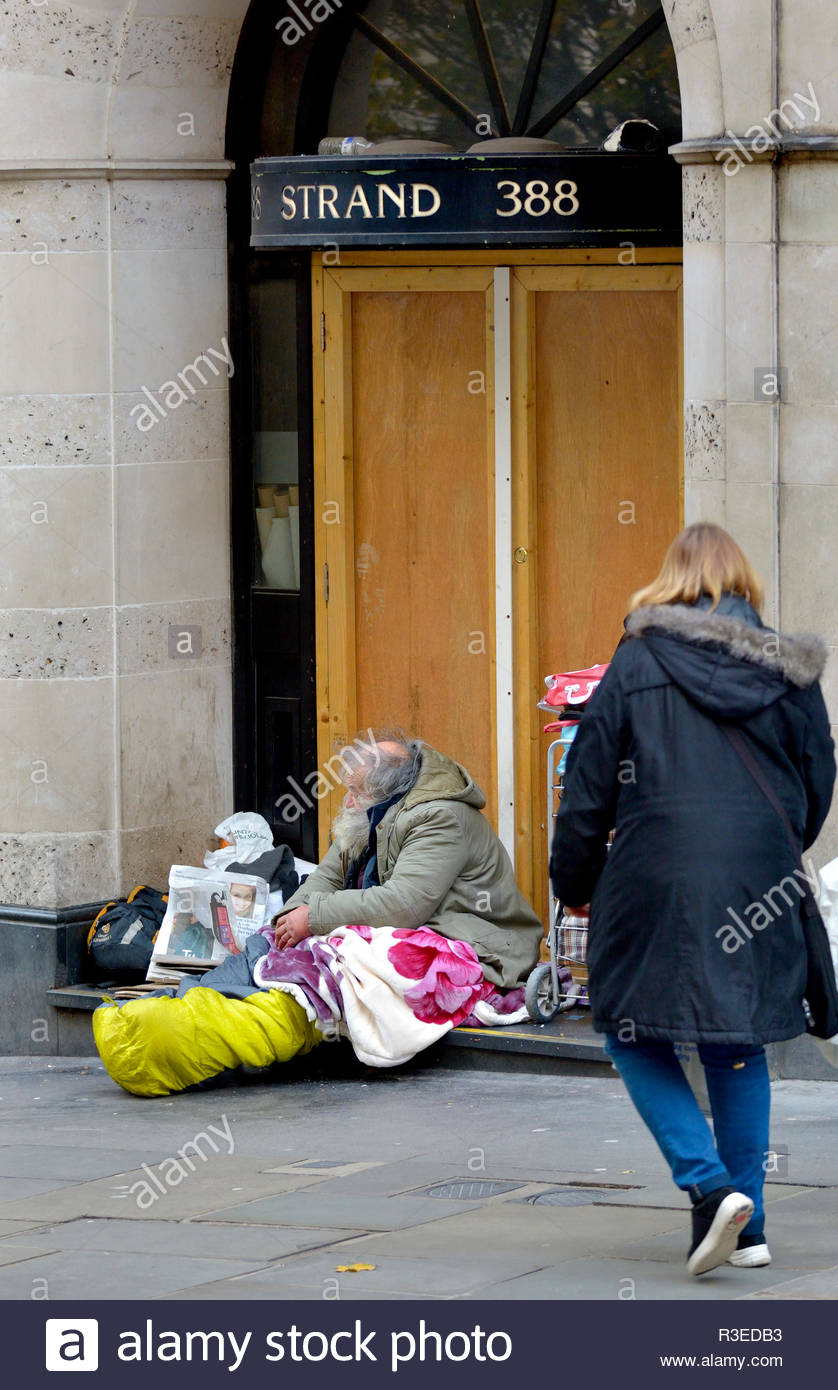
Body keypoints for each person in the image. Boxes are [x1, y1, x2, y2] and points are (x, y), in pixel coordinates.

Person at [550, 523, 836, 1277]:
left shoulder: (638, 658)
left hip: (653, 876)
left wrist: (573, 882)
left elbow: (585, 789)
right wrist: (767, 849)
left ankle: (710, 1190)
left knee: (626, 1028)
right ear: (744, 584)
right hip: (759, 881)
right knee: (737, 1044)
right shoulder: (790, 672)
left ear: (670, 581)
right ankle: (750, 1231)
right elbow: (817, 783)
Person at [273, 729, 543, 990]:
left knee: (373, 963)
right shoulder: (371, 815)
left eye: (356, 793)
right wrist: (292, 915)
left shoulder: (439, 817)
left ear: (387, 794)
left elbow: (403, 904)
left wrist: (314, 915)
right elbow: (328, 875)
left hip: (484, 946)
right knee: (278, 946)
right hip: (418, 929)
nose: (347, 803)